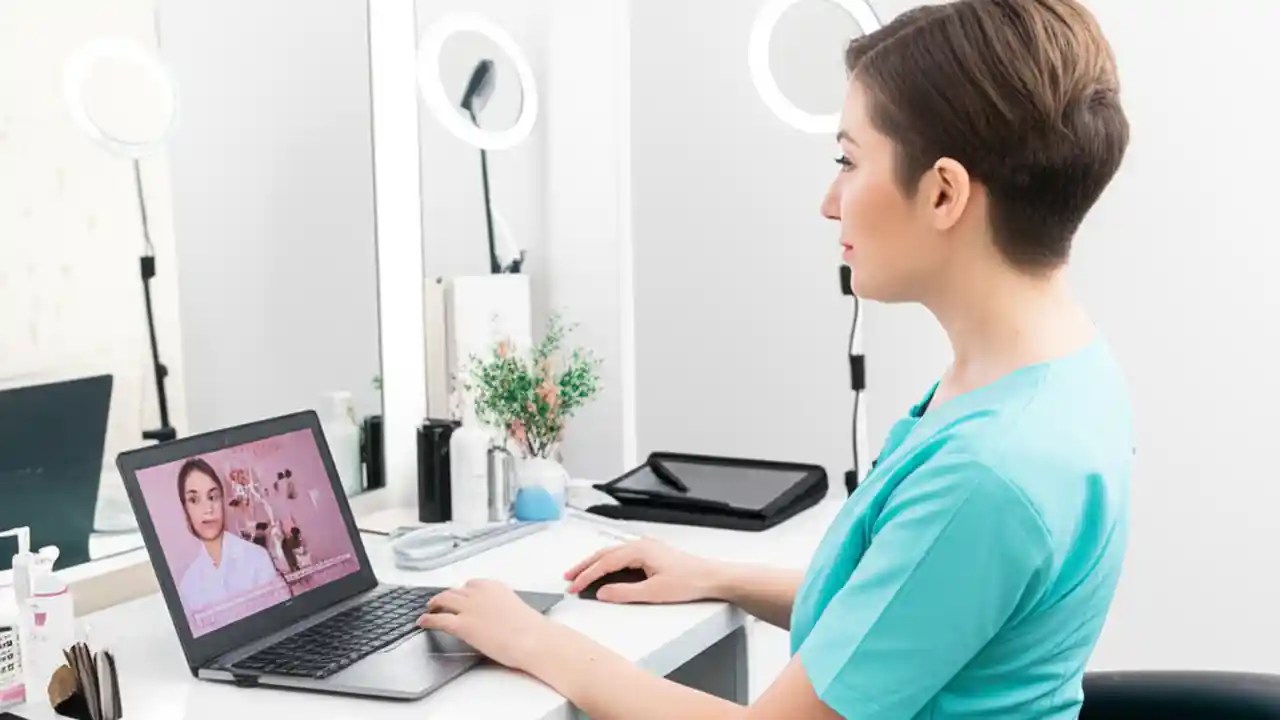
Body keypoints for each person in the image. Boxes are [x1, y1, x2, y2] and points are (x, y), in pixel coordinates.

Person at [417, 1, 1132, 717]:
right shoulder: (1057, 373)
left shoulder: (990, 470)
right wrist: (719, 577)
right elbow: (909, 604)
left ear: (943, 192)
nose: (830, 203)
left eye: (847, 161)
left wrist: (535, 640)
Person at [175, 458, 289, 618]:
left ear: (222, 502)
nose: (208, 509)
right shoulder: (189, 585)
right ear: (186, 510)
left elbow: (285, 617)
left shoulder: (257, 557)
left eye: (213, 497)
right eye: (194, 500)